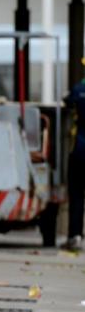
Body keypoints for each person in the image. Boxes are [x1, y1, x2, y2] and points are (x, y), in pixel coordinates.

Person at [64, 62, 85, 251]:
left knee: (77, 195)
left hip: (80, 149)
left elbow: (68, 104)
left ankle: (75, 236)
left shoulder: (79, 89)